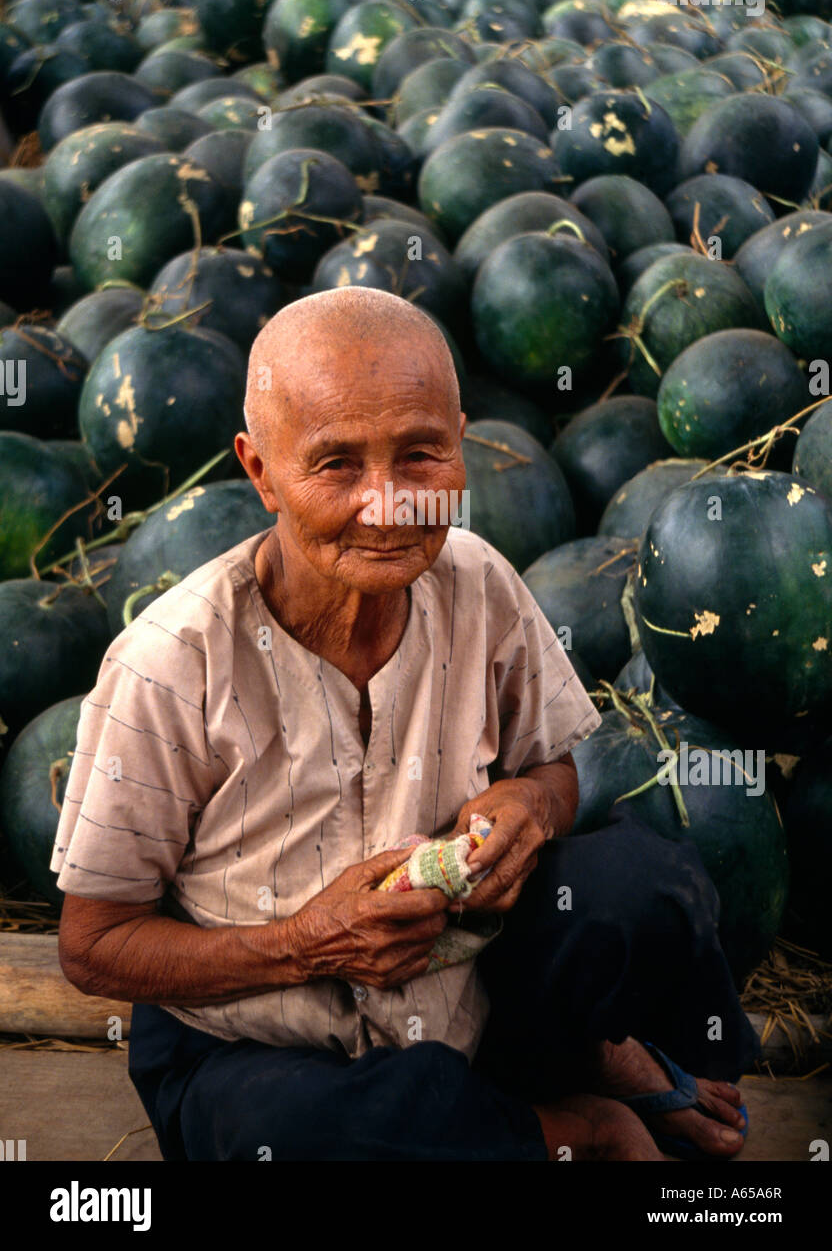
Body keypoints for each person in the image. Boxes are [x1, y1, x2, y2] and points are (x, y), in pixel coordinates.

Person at [52, 286, 757, 1161]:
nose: (388, 506)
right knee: (320, 1136)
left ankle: (597, 1059)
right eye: (337, 465)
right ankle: (583, 1128)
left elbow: (557, 772)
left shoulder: (480, 582)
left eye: (420, 456)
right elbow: (94, 946)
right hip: (259, 1050)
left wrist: (529, 814)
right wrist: (302, 946)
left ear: (462, 443)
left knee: (643, 884)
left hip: (468, 998)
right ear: (260, 470)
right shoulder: (168, 663)